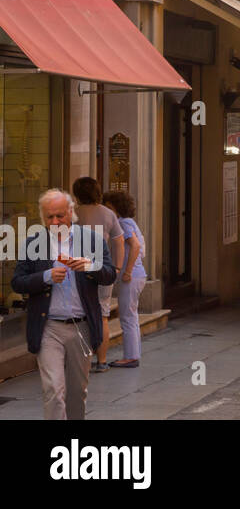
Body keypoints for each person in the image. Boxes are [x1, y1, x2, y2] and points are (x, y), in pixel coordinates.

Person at [12, 188, 117, 419]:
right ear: (43, 217)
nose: (56, 221)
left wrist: (90, 266)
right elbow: (17, 282)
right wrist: (45, 277)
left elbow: (110, 274)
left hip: (81, 327)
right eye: (50, 217)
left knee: (76, 392)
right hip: (48, 327)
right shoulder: (34, 243)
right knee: (53, 390)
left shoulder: (91, 240)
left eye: (60, 215)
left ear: (71, 213)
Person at [70, 177, 124, 375]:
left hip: (75, 269)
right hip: (101, 268)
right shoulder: (108, 214)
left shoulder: (73, 212)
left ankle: (80, 359)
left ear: (76, 194)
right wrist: (117, 268)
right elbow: (119, 242)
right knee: (102, 315)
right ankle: (101, 361)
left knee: (77, 313)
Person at [102, 191, 146, 368]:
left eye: (108, 205)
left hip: (131, 276)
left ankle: (130, 357)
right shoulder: (130, 222)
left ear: (114, 206)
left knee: (127, 316)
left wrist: (126, 271)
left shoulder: (122, 223)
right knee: (131, 316)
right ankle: (133, 354)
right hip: (137, 275)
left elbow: (135, 246)